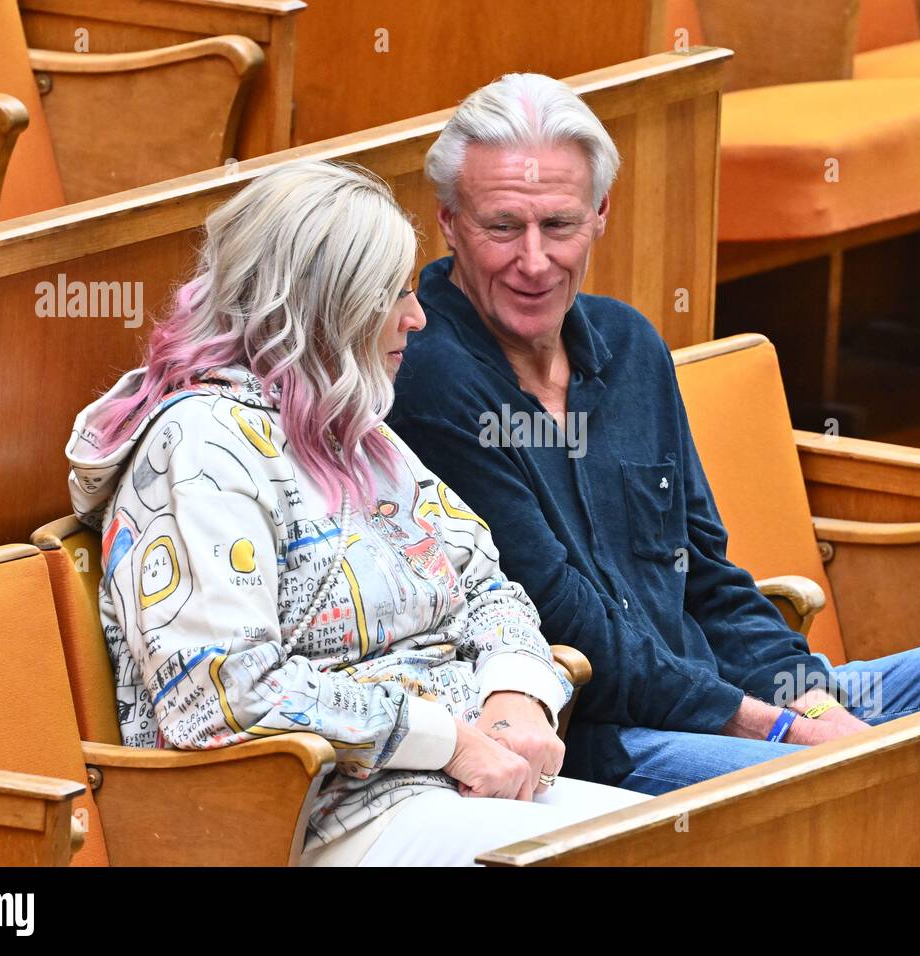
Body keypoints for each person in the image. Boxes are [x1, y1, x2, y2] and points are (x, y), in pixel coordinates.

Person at [387, 73, 920, 796]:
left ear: (599, 215)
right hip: (605, 732)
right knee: (828, 780)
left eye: (558, 225)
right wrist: (781, 729)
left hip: (729, 699)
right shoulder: (430, 377)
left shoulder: (630, 345)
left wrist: (810, 700)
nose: (534, 261)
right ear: (450, 223)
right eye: (502, 227)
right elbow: (563, 618)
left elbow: (710, 578)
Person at [64, 160, 647, 866]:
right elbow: (219, 696)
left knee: (706, 839)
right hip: (320, 819)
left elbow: (488, 587)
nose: (417, 316)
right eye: (393, 293)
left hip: (463, 785)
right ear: (322, 306)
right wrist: (452, 740)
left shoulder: (355, 430)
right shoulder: (199, 447)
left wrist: (516, 695)